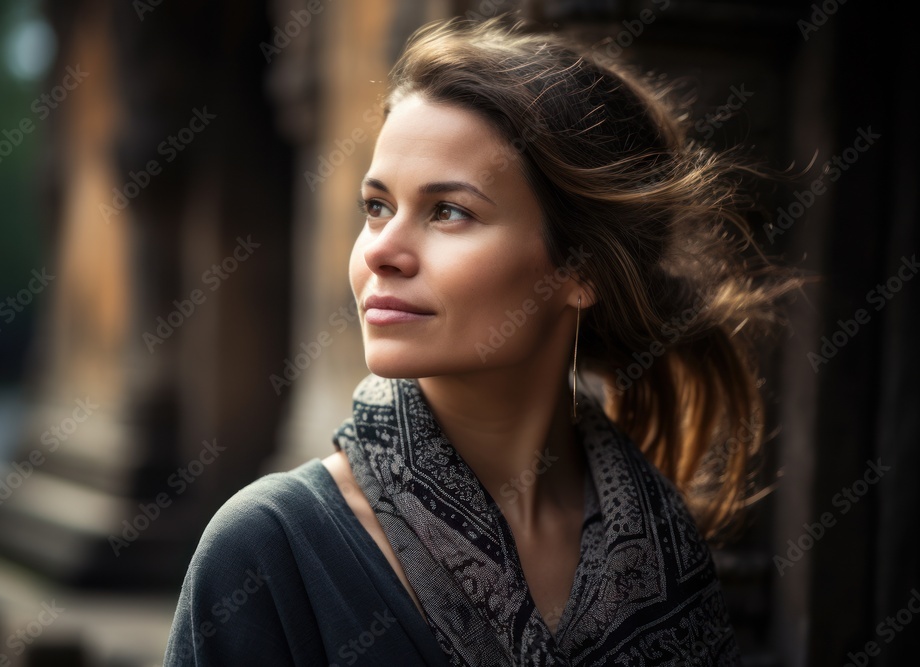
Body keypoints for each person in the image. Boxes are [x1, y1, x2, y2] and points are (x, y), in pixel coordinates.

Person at [164, 14, 801, 667]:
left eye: (448, 211)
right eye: (377, 206)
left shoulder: (665, 546)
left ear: (579, 267)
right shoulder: (270, 553)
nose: (381, 251)